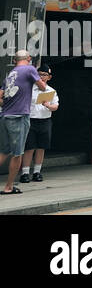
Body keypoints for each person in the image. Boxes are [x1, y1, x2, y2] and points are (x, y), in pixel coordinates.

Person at [2, 50, 48, 195]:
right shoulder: (29, 69)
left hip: (5, 116)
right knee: (17, 154)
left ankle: (9, 186)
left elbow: (1, 96)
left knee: (3, 151)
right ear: (28, 58)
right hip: (19, 117)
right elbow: (42, 87)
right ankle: (9, 187)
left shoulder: (11, 74)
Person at [20, 64, 58, 184]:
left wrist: (48, 105)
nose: (42, 77)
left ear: (49, 77)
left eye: (44, 75)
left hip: (45, 121)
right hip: (30, 120)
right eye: (40, 74)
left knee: (41, 147)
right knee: (29, 147)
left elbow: (55, 107)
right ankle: (25, 173)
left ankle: (37, 172)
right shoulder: (29, 88)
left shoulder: (51, 91)